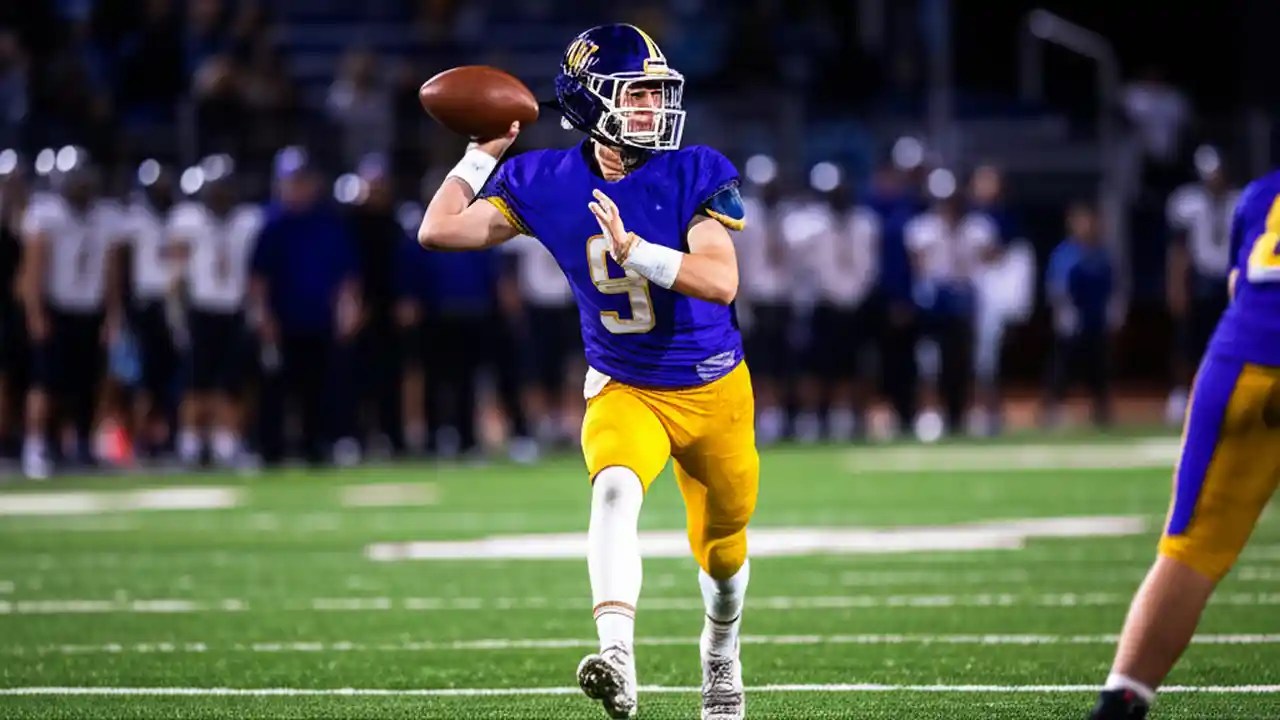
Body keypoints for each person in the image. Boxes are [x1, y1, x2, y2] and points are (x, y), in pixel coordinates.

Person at [417, 24, 755, 720]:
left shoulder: (695, 168)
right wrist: (482, 152)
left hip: (715, 387)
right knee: (612, 494)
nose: (652, 110)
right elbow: (439, 229)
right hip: (625, 384)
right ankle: (618, 658)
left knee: (722, 554)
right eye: (636, 96)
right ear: (590, 103)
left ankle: (720, 654)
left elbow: (722, 282)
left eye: (657, 94)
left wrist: (642, 254)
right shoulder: (544, 179)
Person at [1087, 171, 1280, 719]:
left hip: (1241, 363)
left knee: (1189, 550)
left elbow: (1237, 289)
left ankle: (1120, 704)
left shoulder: (1263, 193)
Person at [249, 147, 360, 466]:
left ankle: (316, 446)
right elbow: (259, 278)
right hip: (282, 322)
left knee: (318, 389)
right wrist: (263, 316)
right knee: (276, 389)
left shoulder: (328, 223)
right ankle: (270, 450)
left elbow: (347, 274)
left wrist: (348, 309)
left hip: (319, 320)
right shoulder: (272, 224)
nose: (298, 188)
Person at [20, 152, 122, 477]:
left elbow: (112, 273)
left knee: (87, 385)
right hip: (57, 308)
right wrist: (36, 312)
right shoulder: (45, 214)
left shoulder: (106, 216)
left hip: (89, 310)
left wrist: (112, 314)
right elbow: (34, 269)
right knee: (46, 383)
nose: (80, 187)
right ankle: (36, 445)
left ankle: (82, 444)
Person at [169, 155, 261, 467]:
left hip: (234, 308)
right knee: (196, 381)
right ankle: (191, 442)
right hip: (200, 308)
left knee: (231, 382)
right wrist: (176, 314)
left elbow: (255, 271)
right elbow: (176, 273)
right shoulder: (188, 219)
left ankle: (226, 441)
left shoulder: (248, 220)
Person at [1044, 203, 1116, 428]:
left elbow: (1113, 286)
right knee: (1062, 367)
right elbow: (1056, 287)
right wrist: (1063, 313)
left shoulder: (1102, 254)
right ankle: (1051, 410)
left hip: (1096, 320)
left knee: (1099, 369)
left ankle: (1101, 412)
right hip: (1072, 321)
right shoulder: (1065, 254)